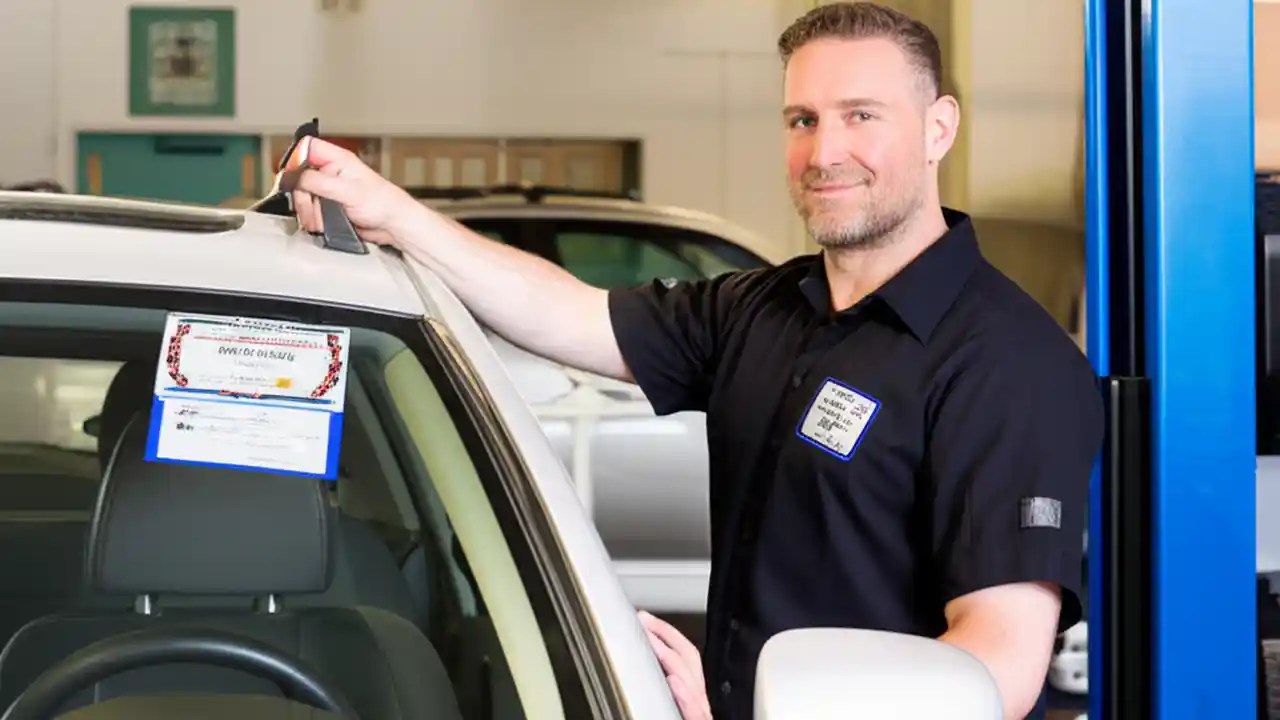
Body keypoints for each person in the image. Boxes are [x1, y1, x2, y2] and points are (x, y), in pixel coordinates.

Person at [285, 3, 1103, 718]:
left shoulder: (1006, 363)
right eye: (802, 119)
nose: (824, 152)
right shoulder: (764, 308)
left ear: (938, 128)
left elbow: (999, 667)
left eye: (861, 116)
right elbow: (572, 314)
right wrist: (390, 210)